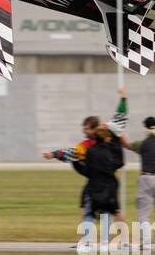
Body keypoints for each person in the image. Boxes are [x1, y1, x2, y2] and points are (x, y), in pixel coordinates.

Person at [43, 88, 129, 222]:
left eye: (86, 129)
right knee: (111, 210)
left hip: (98, 182)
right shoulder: (110, 131)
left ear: (95, 128)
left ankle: (89, 240)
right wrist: (123, 98)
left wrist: (53, 154)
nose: (84, 131)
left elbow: (71, 154)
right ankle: (112, 239)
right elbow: (120, 116)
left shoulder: (89, 145)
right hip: (111, 181)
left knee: (90, 209)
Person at [129, 116, 155, 225]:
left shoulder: (141, 144)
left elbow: (128, 145)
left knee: (143, 212)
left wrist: (119, 136)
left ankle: (146, 241)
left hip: (147, 178)